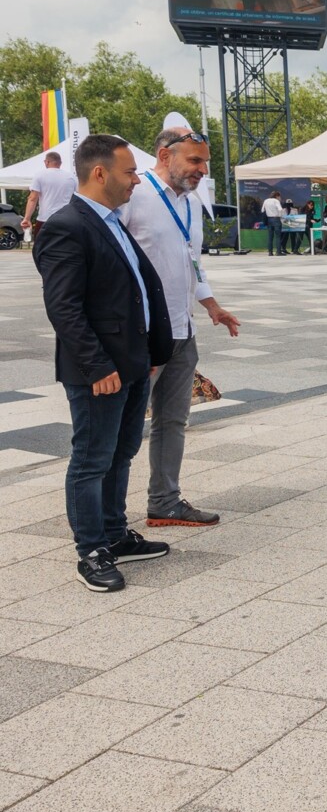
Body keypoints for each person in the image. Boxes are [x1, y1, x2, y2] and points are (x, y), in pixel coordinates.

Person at [33, 135, 173, 592]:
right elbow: (64, 308)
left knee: (121, 454)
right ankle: (91, 550)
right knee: (92, 460)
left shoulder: (112, 221)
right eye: (130, 172)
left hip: (131, 365)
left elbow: (131, 289)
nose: (136, 179)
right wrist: (96, 367)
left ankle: (115, 534)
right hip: (99, 371)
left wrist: (151, 354)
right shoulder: (66, 226)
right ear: (100, 173)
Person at [120, 127, 241, 529]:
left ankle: (165, 502)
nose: (203, 170)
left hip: (181, 330)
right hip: (142, 336)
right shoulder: (133, 196)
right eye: (194, 160)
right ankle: (105, 518)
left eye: (205, 162)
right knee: (121, 427)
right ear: (164, 155)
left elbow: (192, 260)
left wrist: (211, 305)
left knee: (172, 420)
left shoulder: (189, 203)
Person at [21, 150, 76, 237]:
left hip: (45, 219)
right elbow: (78, 198)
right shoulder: (71, 177)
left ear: (46, 162)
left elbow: (32, 198)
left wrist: (27, 218)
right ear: (60, 163)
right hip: (66, 220)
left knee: (41, 248)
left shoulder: (39, 175)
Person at [262, 190, 284, 255]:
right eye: (279, 196)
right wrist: (280, 215)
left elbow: (262, 210)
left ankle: (270, 252)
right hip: (276, 219)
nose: (280, 198)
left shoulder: (266, 200)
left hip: (269, 219)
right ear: (277, 196)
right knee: (278, 236)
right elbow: (280, 209)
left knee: (270, 237)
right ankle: (278, 252)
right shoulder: (276, 201)